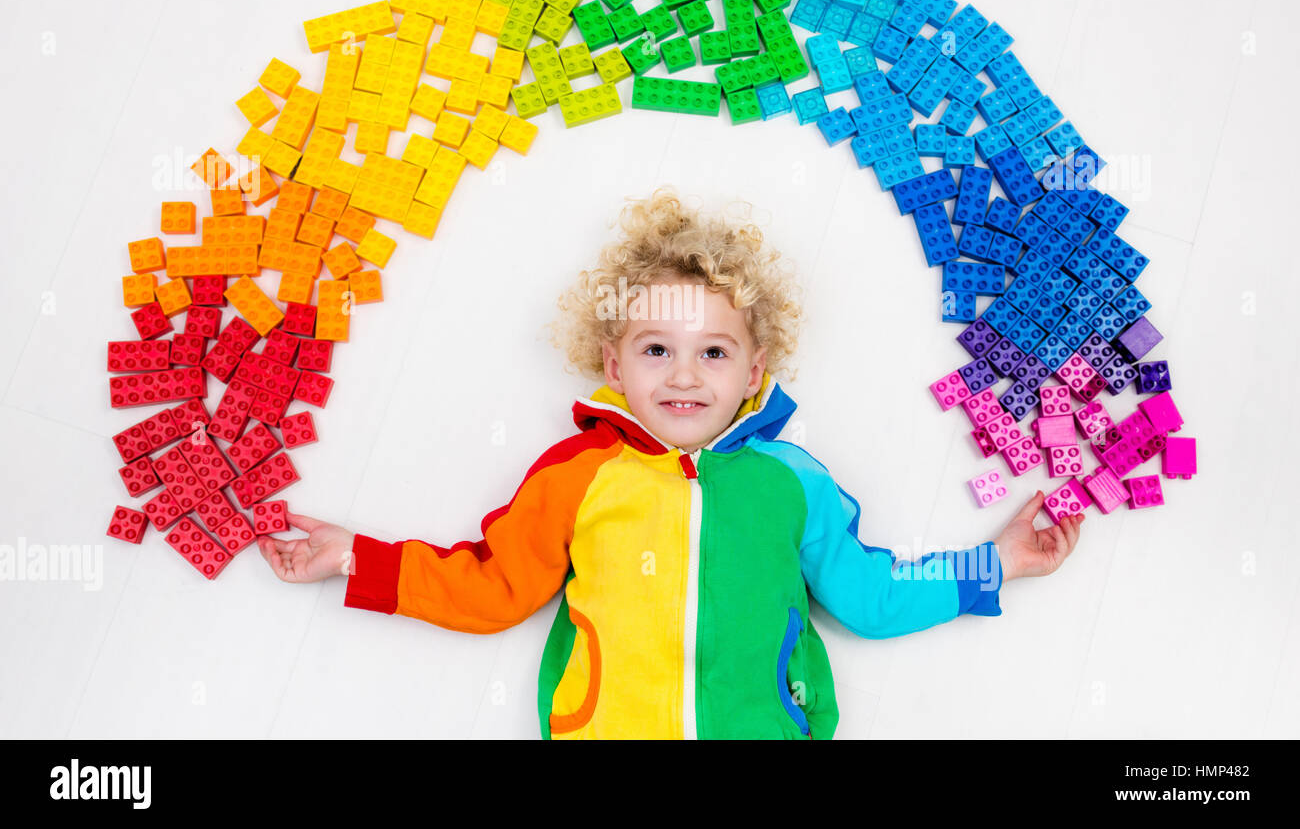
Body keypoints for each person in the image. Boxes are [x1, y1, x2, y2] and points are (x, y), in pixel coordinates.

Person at [259, 187, 1082, 738]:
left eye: (714, 352)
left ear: (755, 370)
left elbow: (868, 597)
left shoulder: (792, 482)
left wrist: (998, 564)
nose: (684, 375)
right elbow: (492, 587)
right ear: (614, 366)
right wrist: (351, 558)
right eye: (657, 349)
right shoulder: (578, 474)